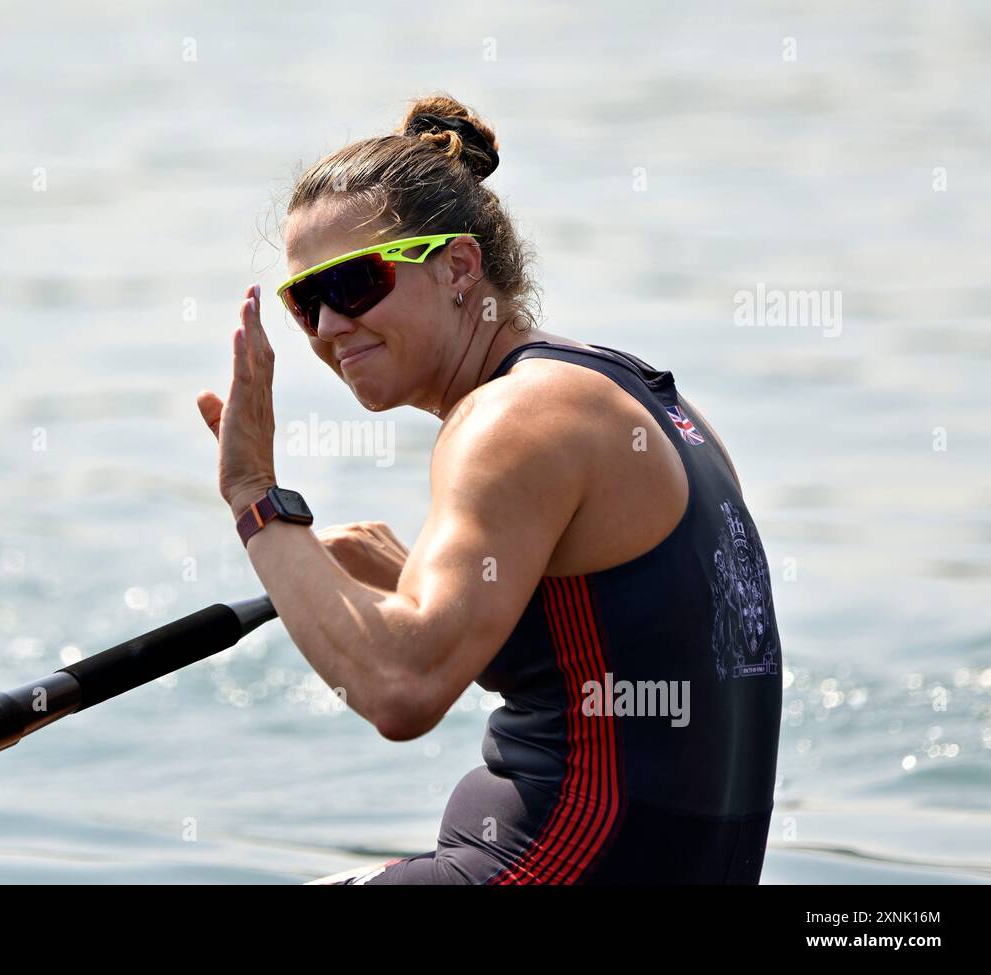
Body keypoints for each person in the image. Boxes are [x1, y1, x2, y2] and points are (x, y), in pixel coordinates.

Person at [196, 93, 783, 884]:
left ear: (459, 268)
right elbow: (603, 653)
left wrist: (256, 496)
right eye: (305, 300)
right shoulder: (638, 396)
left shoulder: (510, 419)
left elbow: (400, 690)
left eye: (354, 283)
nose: (328, 326)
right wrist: (409, 581)